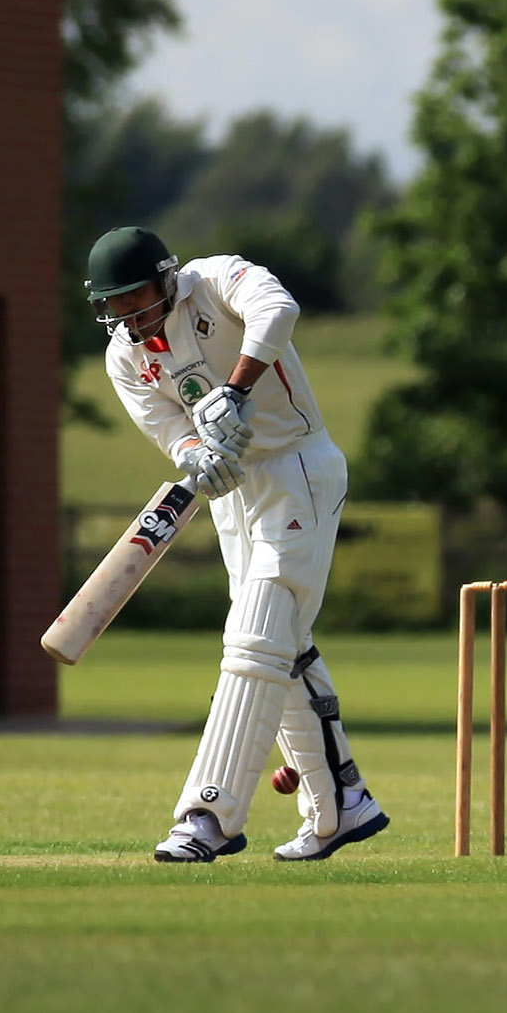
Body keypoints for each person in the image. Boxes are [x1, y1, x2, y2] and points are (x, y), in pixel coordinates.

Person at [83, 226, 390, 863]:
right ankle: (340, 800)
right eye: (114, 306)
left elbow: (279, 309)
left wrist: (237, 389)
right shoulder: (124, 357)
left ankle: (209, 815)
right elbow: (170, 429)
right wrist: (198, 452)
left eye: (136, 299)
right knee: (281, 645)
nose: (127, 316)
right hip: (233, 494)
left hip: (297, 468)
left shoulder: (214, 280)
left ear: (166, 279)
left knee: (254, 640)